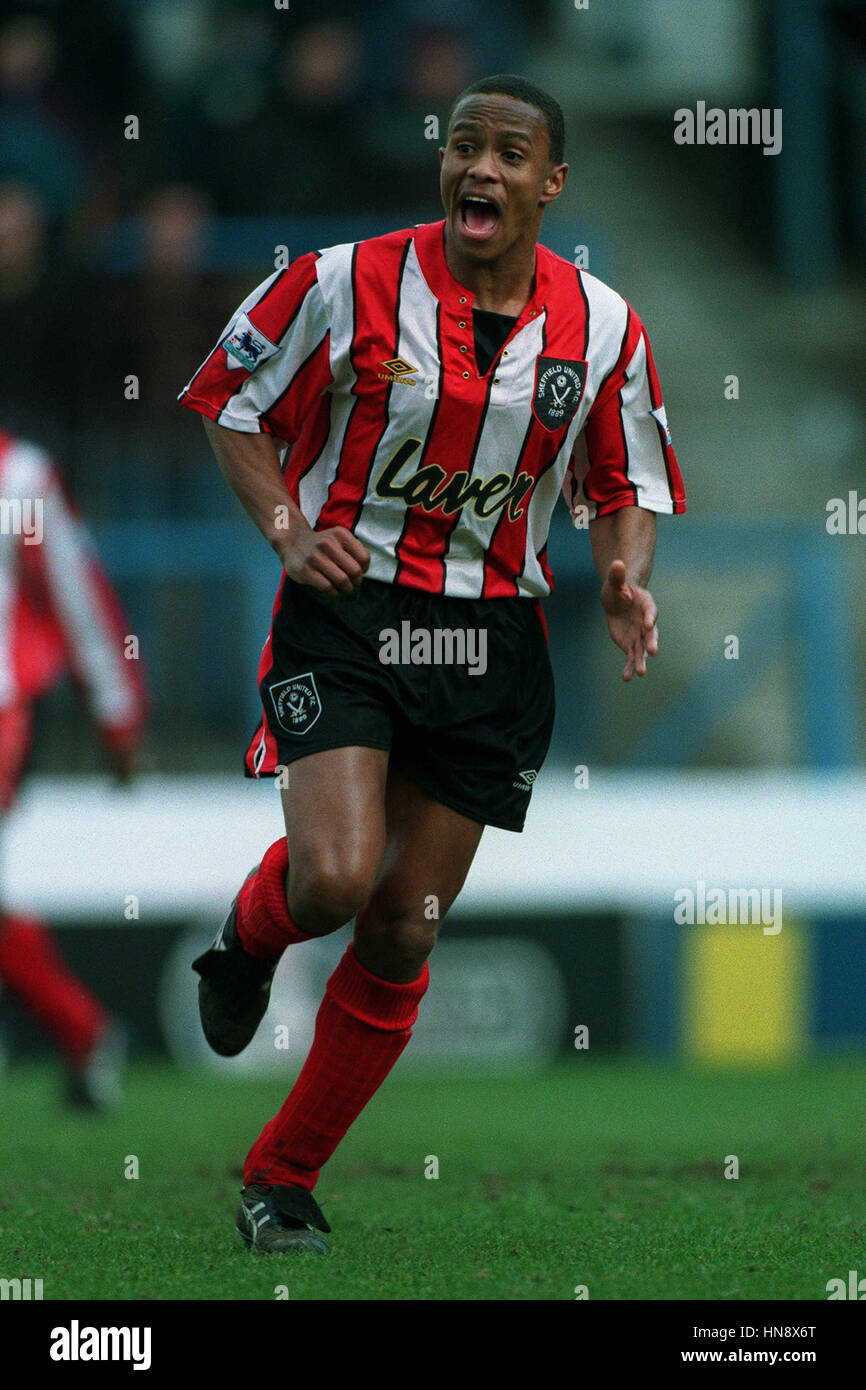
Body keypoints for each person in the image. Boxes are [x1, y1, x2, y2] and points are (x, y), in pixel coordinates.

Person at [179, 74, 685, 1253]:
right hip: (349, 611)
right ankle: (248, 943)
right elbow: (225, 398)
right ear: (442, 161)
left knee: (404, 922)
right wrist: (289, 532)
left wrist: (621, 573)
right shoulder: (338, 279)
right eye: (465, 147)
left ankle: (282, 1179)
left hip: (491, 638)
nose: (482, 171)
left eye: (511, 155)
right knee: (337, 879)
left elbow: (628, 486)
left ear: (550, 182)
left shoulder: (606, 326)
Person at [0, 429, 147, 1109]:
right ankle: (83, 1030)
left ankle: (82, 1030)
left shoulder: (19, 474)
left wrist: (117, 711)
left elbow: (76, 594)